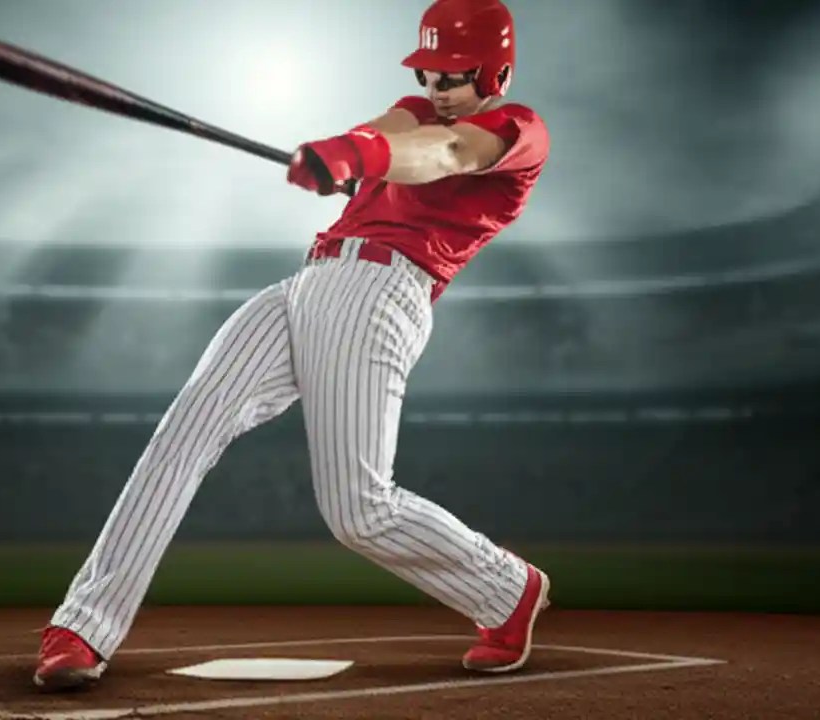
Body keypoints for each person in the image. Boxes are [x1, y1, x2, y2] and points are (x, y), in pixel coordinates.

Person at [33, 0, 552, 691]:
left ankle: (506, 588)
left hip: (380, 294)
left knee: (359, 511)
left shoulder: (518, 131)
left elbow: (446, 154)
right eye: (430, 73)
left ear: (496, 74)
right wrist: (346, 148)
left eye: (456, 76)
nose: (438, 88)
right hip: (310, 281)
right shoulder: (415, 110)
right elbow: (391, 131)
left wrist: (361, 156)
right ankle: (82, 626)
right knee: (186, 429)